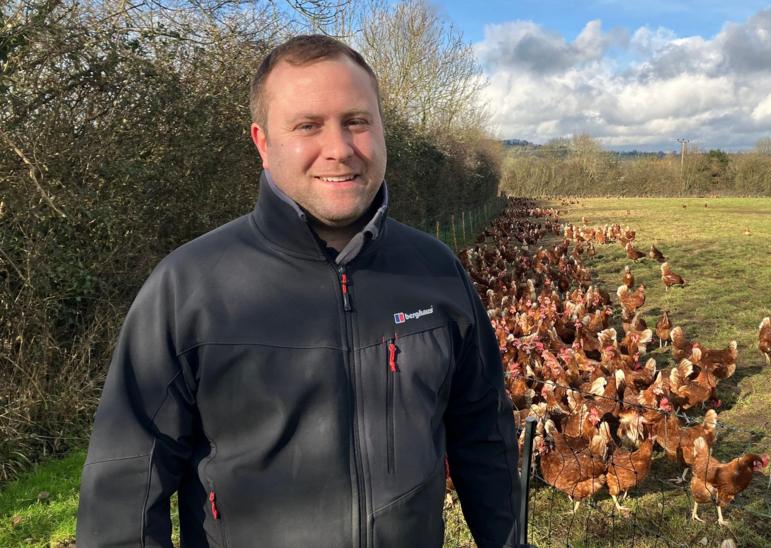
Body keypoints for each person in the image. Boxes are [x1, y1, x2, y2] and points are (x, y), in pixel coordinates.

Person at [77, 35, 522, 547]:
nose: (339, 148)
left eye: (357, 121)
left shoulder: (436, 271)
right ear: (263, 143)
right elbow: (125, 489)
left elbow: (483, 436)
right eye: (308, 125)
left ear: (381, 132)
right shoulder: (189, 288)